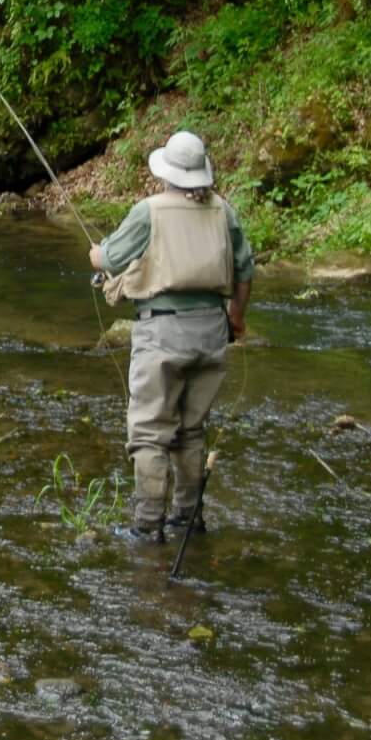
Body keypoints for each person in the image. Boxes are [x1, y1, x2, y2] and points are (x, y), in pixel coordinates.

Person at [88, 130, 253, 542]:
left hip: (162, 331)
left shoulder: (149, 211)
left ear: (167, 173)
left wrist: (95, 253)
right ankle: (186, 519)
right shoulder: (224, 211)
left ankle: (147, 526)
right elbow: (245, 270)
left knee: (148, 432)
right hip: (212, 332)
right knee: (191, 431)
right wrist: (236, 318)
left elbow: (108, 258)